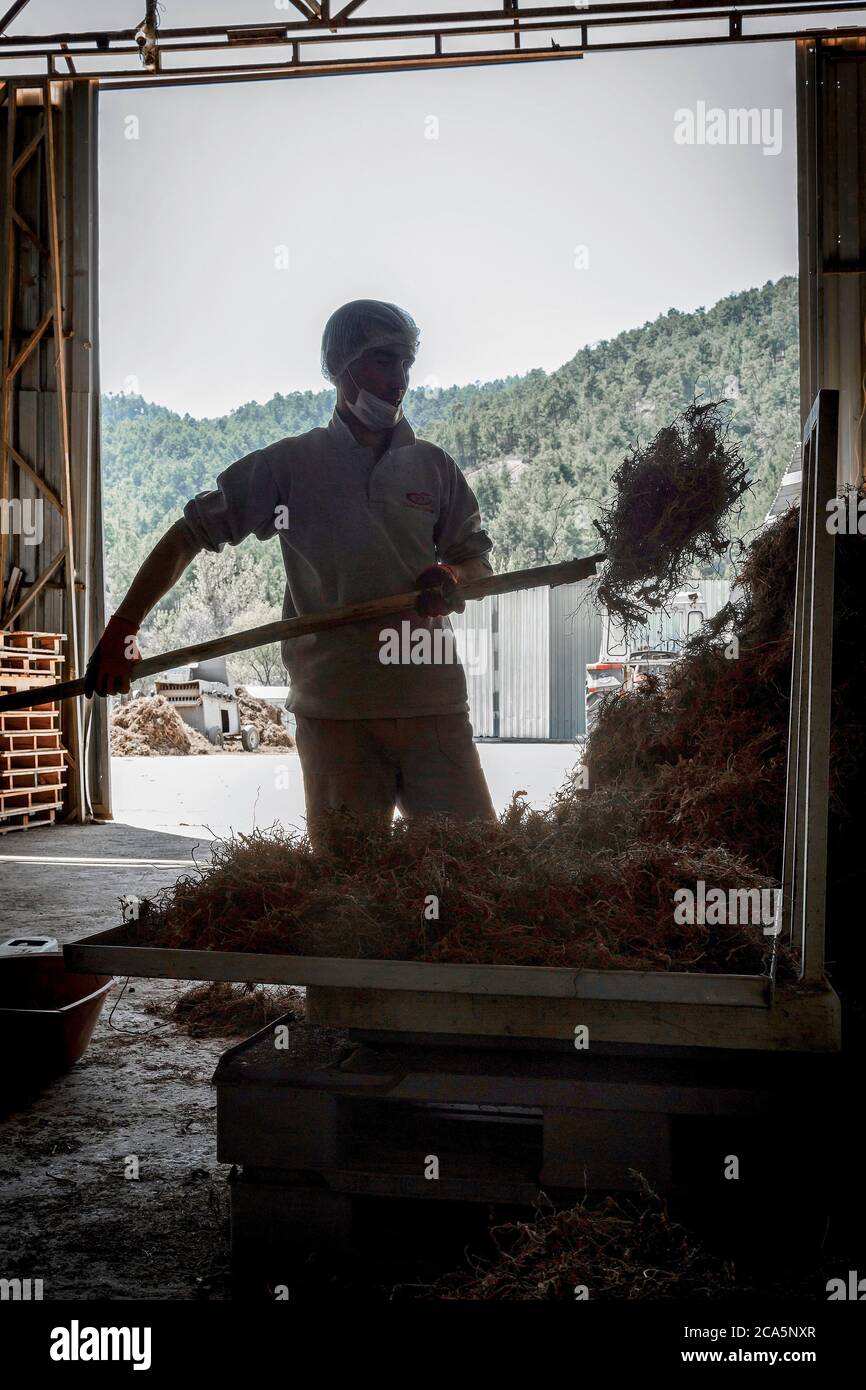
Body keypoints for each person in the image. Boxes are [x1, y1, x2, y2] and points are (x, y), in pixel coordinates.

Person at [85, 299, 497, 840]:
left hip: (433, 704)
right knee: (345, 887)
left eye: (405, 362)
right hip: (335, 714)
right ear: (341, 367)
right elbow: (190, 533)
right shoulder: (291, 466)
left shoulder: (433, 467)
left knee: (475, 865)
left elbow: (478, 564)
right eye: (383, 360)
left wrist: (454, 578)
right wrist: (123, 628)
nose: (399, 378)